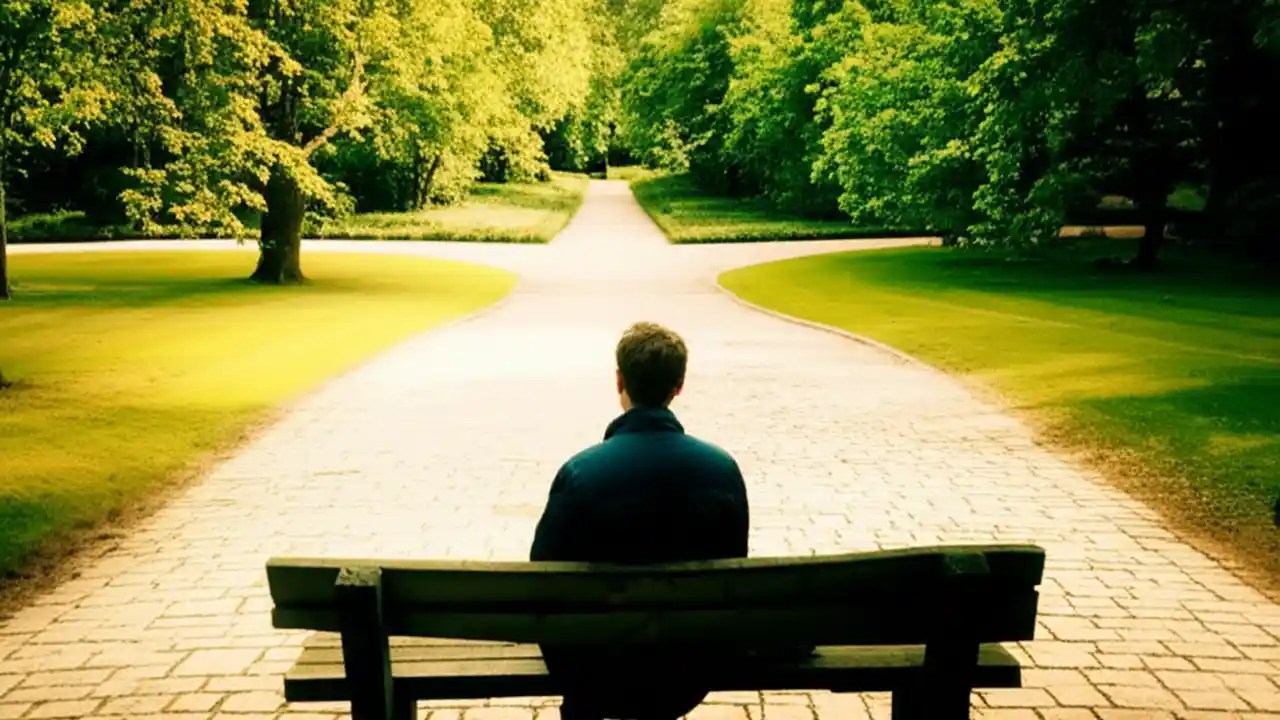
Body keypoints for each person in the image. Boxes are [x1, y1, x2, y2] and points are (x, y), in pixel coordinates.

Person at [530, 321, 750, 720]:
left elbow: (543, 576)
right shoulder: (722, 470)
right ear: (679, 386)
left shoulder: (581, 473)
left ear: (619, 380)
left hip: (594, 669)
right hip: (688, 670)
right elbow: (733, 565)